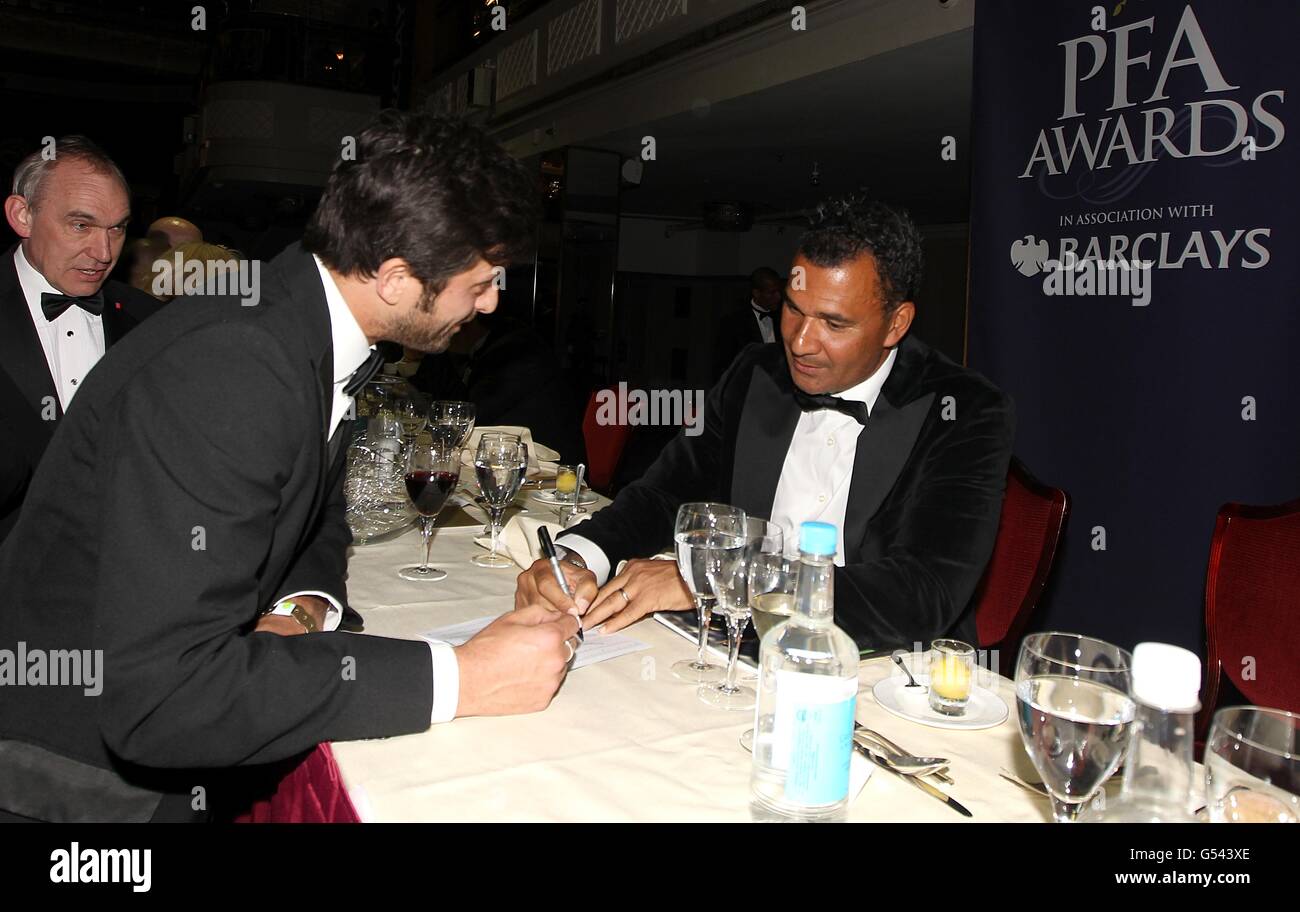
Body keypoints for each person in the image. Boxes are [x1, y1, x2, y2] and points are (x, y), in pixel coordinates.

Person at [0, 111, 578, 822]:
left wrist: (299, 609)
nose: (490, 301)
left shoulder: (297, 316)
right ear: (397, 278)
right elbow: (162, 701)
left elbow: (316, 510)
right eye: (482, 281)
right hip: (74, 773)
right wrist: (459, 678)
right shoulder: (236, 366)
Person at [517, 192, 1015, 651]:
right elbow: (666, 492)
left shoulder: (964, 409)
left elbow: (924, 592)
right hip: (737, 642)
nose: (800, 342)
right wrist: (580, 556)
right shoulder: (754, 373)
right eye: (793, 311)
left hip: (880, 666)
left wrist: (718, 579)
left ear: (896, 324)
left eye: (834, 323)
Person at [0, 135, 161, 543]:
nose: (103, 252)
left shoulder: (152, 322)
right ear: (22, 215)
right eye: (81, 225)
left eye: (117, 229)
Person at [712, 266, 783, 381]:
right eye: (772, 293)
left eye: (779, 291)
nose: (778, 297)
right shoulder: (733, 322)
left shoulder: (783, 318)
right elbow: (723, 365)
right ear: (756, 293)